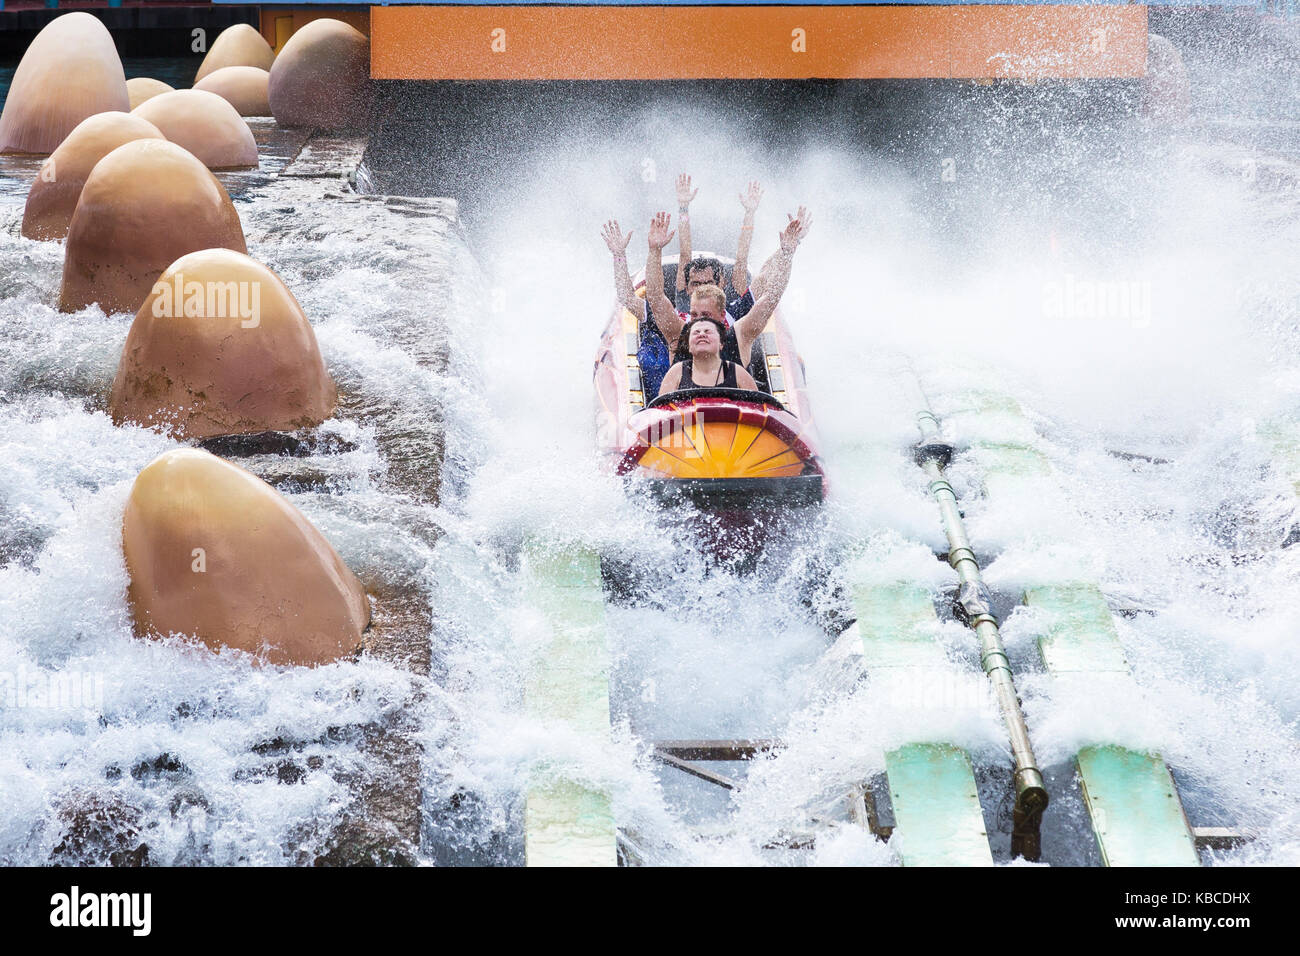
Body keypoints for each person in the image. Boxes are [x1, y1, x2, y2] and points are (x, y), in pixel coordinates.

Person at [645, 206, 810, 381]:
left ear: (722, 314)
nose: (700, 322)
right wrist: (655, 251)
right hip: (691, 409)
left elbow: (771, 296)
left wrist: (786, 254)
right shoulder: (679, 334)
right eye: (695, 315)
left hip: (734, 408)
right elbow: (655, 297)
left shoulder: (740, 335)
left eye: (706, 315)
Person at [673, 176, 763, 319]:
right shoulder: (684, 303)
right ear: (687, 288)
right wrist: (683, 208)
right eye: (696, 284)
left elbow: (741, 259)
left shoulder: (733, 308)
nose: (702, 289)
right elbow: (685, 253)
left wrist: (749, 213)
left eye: (708, 283)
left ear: (721, 284)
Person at [656, 316, 757, 396]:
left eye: (708, 331)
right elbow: (662, 413)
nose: (702, 334)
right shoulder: (676, 372)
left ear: (721, 343)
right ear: (689, 347)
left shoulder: (738, 373)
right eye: (696, 332)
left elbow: (756, 410)